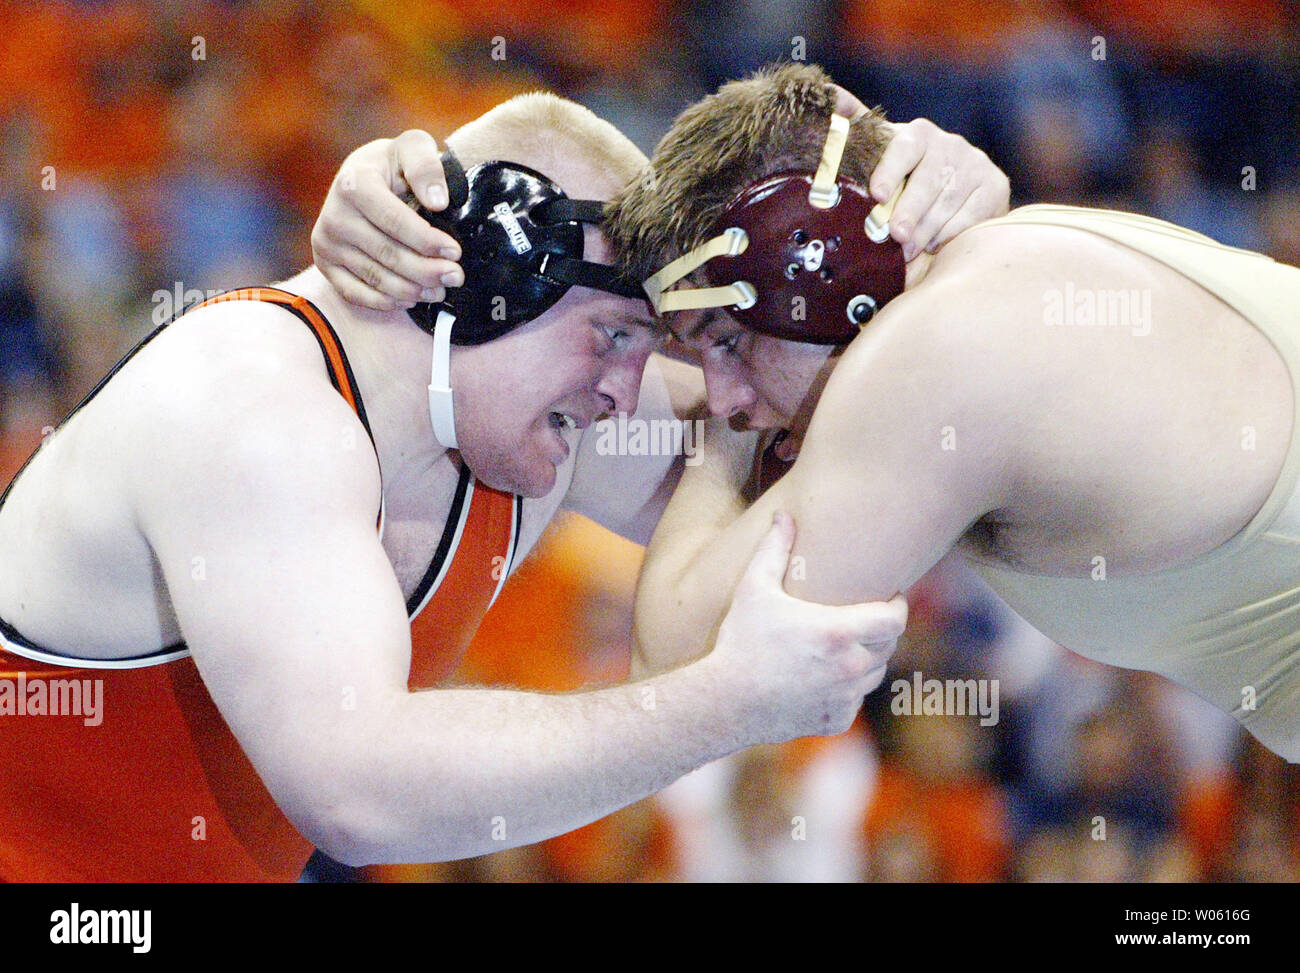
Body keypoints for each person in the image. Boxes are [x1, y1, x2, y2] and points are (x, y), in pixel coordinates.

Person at [0, 86, 1007, 881]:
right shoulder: (249, 406)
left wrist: (941, 249)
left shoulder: (506, 415)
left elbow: (822, 456)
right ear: (482, 281)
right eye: (614, 336)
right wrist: (726, 702)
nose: (630, 392)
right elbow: (354, 789)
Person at [600, 63, 1300, 763]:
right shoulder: (996, 277)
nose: (725, 397)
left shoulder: (941, 355)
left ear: (826, 270)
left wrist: (723, 444)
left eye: (726, 342)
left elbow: (679, 673)